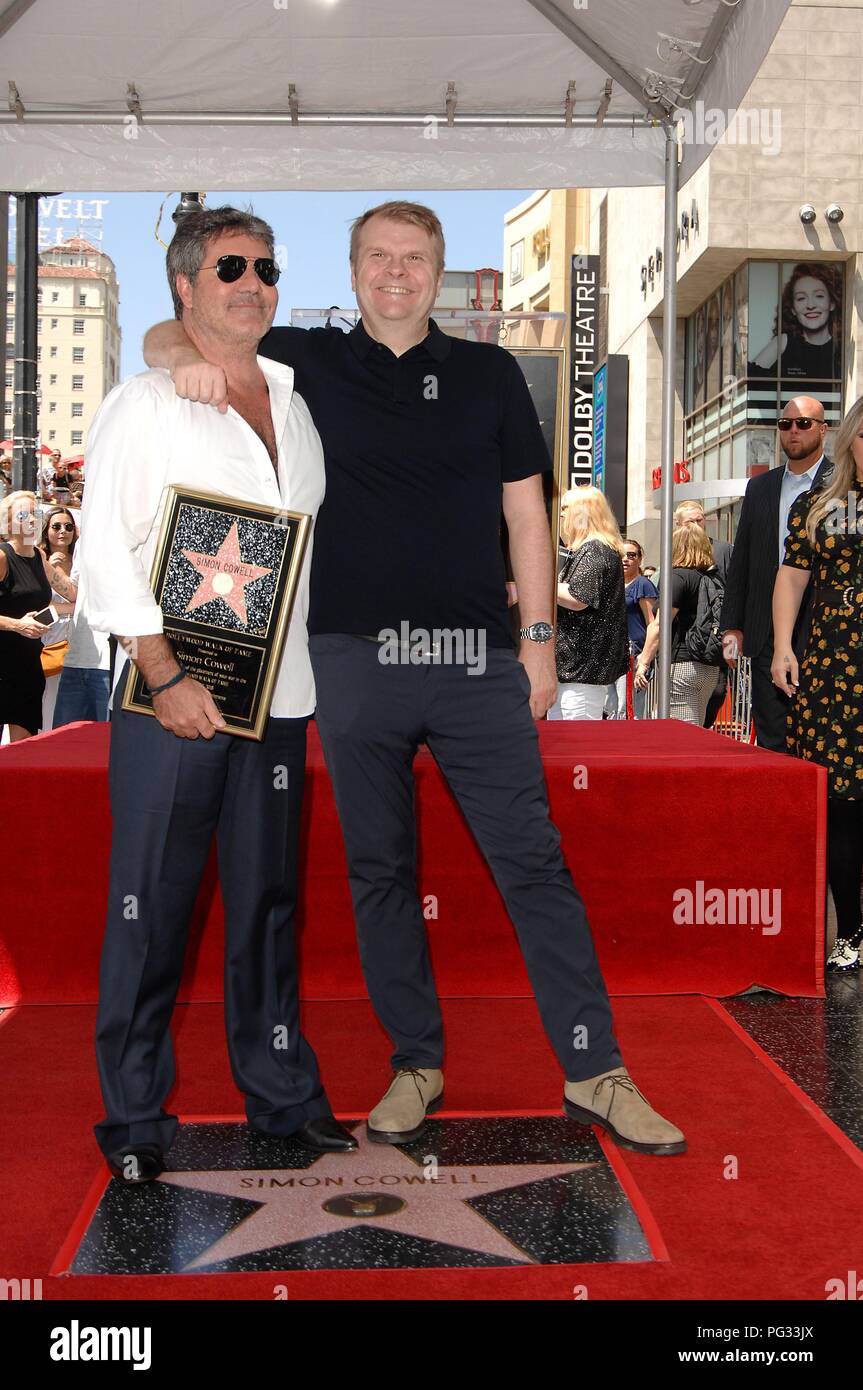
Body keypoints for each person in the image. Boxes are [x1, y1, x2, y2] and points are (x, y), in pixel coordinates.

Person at [144, 199, 685, 1157]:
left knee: (533, 865)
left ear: (439, 272)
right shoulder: (304, 361)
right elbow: (177, 329)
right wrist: (177, 357)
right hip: (351, 658)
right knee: (379, 871)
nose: (397, 273)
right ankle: (415, 1062)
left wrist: (537, 640)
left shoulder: (488, 374)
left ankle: (595, 1067)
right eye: (379, 257)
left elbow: (528, 515)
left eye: (416, 258)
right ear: (352, 273)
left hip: (476, 661)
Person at [79, 206, 354, 1185]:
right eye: (229, 266)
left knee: (268, 908)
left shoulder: (294, 393)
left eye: (267, 267)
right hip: (175, 700)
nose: (254, 280)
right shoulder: (144, 402)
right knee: (150, 908)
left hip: (280, 699)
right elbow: (101, 551)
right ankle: (134, 1119)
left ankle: (280, 1096)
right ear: (187, 287)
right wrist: (162, 673)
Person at [772, 395, 863, 971]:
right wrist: (783, 645)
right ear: (851, 439)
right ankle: (850, 931)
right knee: (841, 801)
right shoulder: (820, 505)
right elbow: (791, 579)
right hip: (834, 663)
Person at [720, 397, 832, 750]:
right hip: (764, 625)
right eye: (785, 425)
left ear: (823, 429)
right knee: (772, 729)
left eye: (803, 424)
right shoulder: (761, 487)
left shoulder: (839, 484)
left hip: (823, 622)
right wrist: (732, 626)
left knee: (819, 727)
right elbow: (743, 560)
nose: (793, 431)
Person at [0, 490, 74, 741]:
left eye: (36, 513)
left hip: (28, 664)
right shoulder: (2, 557)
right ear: (8, 523)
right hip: (2, 662)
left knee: (20, 754)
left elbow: (72, 595)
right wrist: (17, 624)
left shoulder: (38, 556)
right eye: (24, 515)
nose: (32, 520)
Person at [549, 486, 628, 721]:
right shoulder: (597, 549)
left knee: (575, 746)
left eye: (565, 508)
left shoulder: (594, 549)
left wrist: (538, 586)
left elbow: (578, 597)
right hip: (577, 672)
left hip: (581, 673)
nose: (560, 514)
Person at [635, 526, 720, 725]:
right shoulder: (708, 579)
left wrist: (644, 662)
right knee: (696, 730)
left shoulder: (677, 577)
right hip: (708, 668)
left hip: (681, 666)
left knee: (682, 736)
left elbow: (659, 624)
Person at [748, 263, 842, 384]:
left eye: (819, 296)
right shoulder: (784, 342)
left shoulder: (841, 347)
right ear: (792, 309)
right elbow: (749, 379)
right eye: (801, 298)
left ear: (832, 303)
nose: (810, 305)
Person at [605, 537, 657, 720]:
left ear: (639, 559)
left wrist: (645, 658)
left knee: (628, 710)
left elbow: (653, 624)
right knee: (611, 709)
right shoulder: (612, 584)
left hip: (633, 654)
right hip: (611, 654)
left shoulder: (643, 584)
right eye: (621, 555)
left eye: (631, 555)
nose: (625, 559)